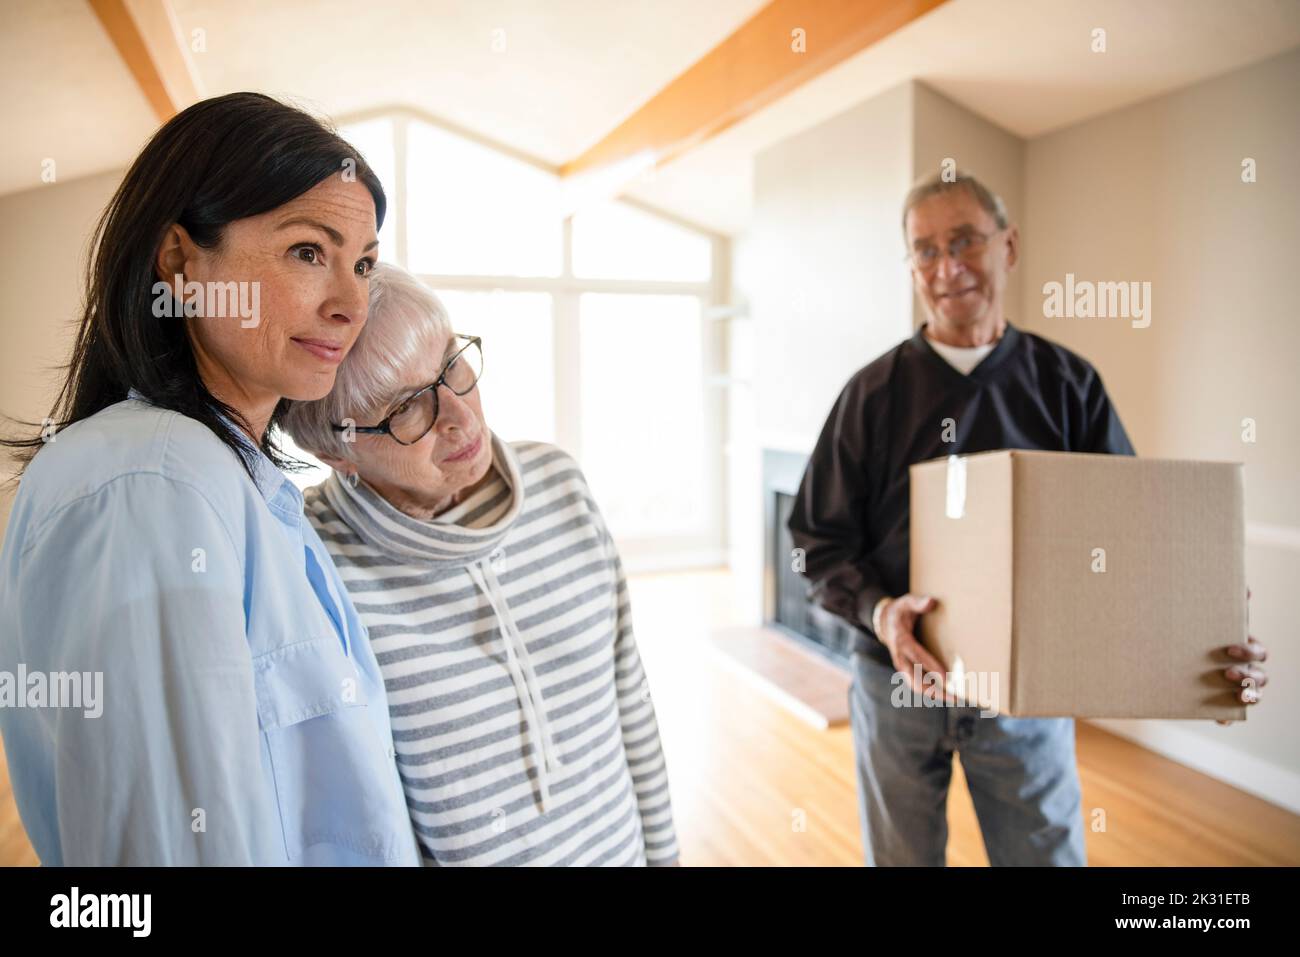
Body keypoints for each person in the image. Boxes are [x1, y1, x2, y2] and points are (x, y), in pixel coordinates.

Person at [788, 171, 1268, 867]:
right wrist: (882, 610)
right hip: (896, 684)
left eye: (964, 241)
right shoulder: (871, 394)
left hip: (1029, 694)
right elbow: (815, 542)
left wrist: (1206, 637)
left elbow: (1133, 541)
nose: (946, 267)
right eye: (924, 250)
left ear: (1009, 246)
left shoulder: (1068, 385)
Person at [0, 93, 419, 865]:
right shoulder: (150, 483)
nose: (352, 302)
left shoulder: (225, 479)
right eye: (307, 252)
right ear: (182, 262)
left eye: (363, 262)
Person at [281, 263, 680, 866]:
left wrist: (666, 858)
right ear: (335, 451)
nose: (460, 416)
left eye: (452, 366)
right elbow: (348, 811)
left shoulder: (559, 483)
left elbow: (630, 693)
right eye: (409, 407)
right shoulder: (314, 561)